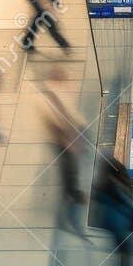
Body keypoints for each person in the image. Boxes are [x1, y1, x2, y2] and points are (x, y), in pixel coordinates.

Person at [39, 69, 88, 236]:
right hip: (60, 141)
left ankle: (73, 191)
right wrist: (68, 138)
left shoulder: (60, 92)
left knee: (71, 167)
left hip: (67, 137)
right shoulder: (46, 99)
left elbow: (70, 111)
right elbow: (55, 123)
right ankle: (69, 197)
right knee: (67, 169)